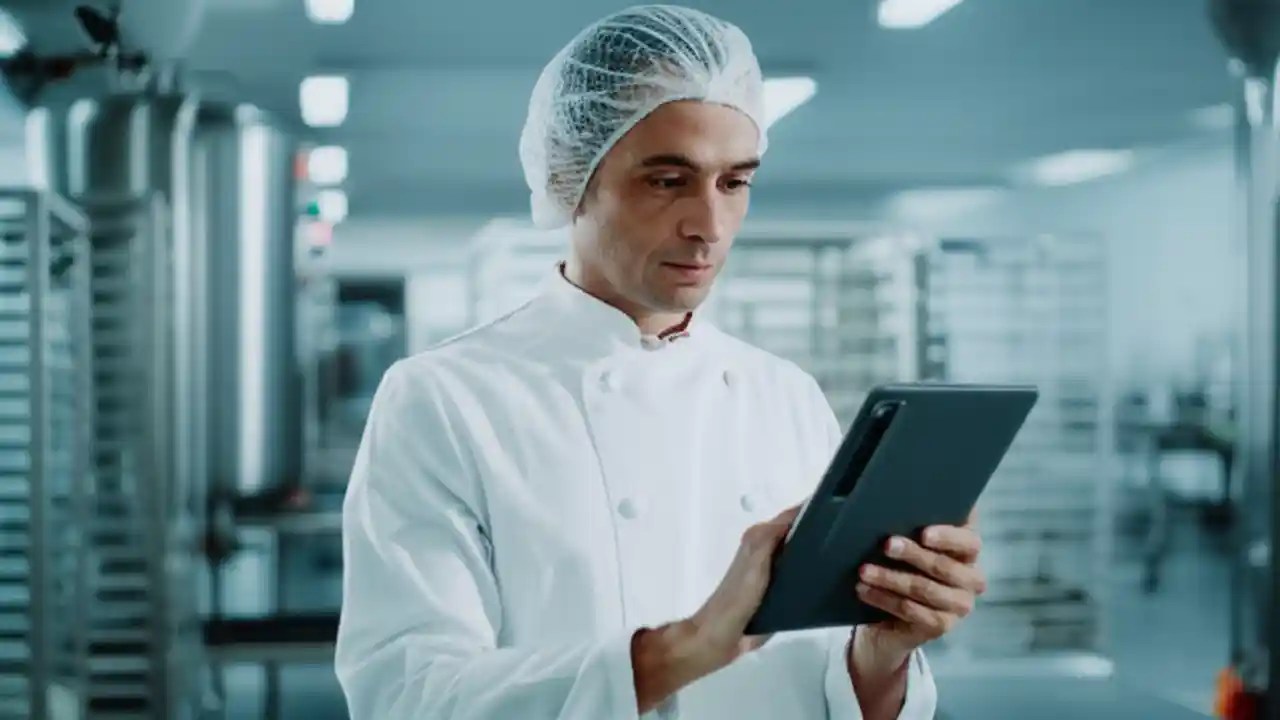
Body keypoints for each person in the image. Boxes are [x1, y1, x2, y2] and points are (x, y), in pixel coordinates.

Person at [335, 5, 986, 718]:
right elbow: (407, 696)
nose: (708, 225)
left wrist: (884, 653)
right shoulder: (445, 399)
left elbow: (823, 678)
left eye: (734, 183)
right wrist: (688, 647)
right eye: (668, 180)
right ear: (569, 178)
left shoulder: (784, 395)